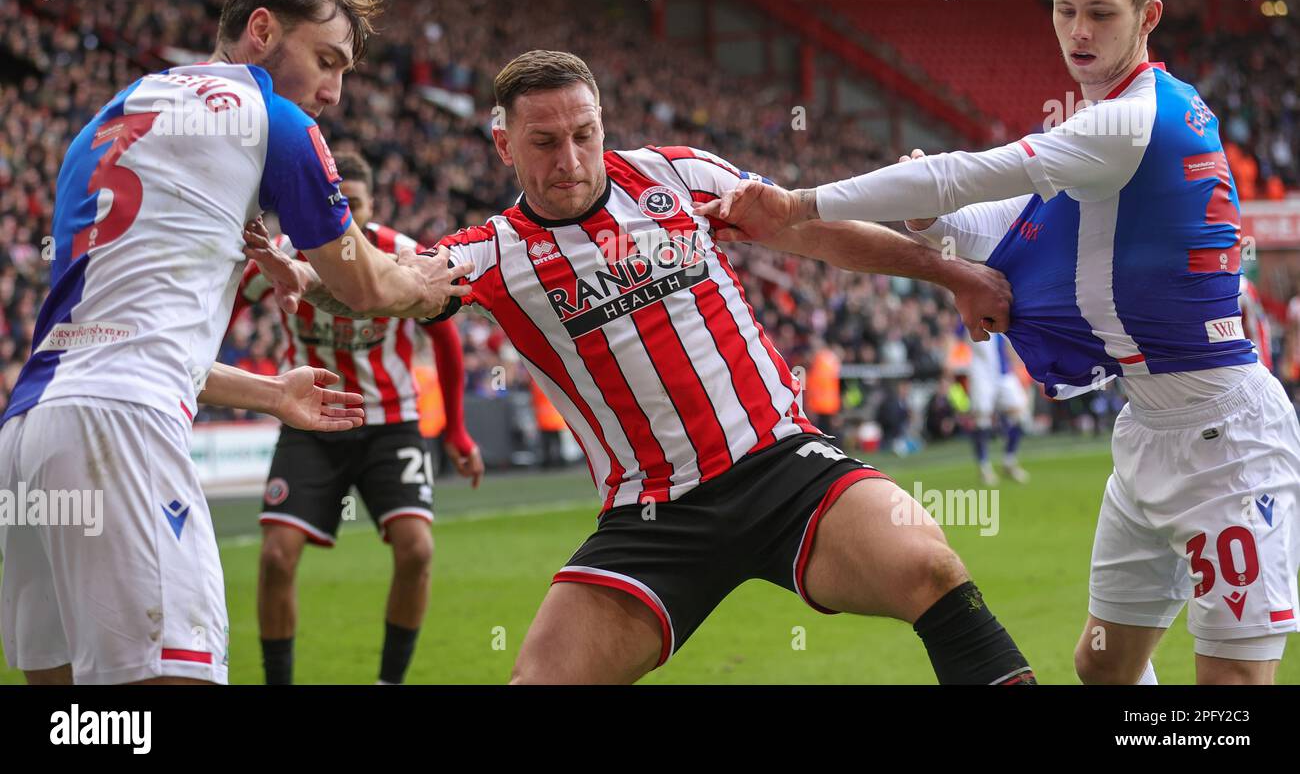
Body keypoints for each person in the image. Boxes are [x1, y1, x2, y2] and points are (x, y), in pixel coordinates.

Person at [251, 49, 1036, 684]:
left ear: (602, 124)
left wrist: (955, 274)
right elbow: (396, 284)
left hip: (786, 468)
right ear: (503, 145)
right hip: (653, 520)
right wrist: (314, 273)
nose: (571, 159)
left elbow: (815, 232)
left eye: (584, 134)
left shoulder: (677, 177)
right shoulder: (492, 253)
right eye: (545, 142)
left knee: (932, 568)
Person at [700, 0, 1300, 685]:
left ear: (1149, 16)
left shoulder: (1132, 120)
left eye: (1101, 13)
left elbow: (964, 175)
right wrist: (929, 218)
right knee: (1103, 666)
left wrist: (797, 204)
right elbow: (994, 219)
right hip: (1149, 430)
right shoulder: (1107, 127)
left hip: (1227, 439)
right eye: (1065, 10)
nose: (1078, 32)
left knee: (1230, 687)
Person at [0, 0, 467, 686]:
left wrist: (272, 395)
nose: (336, 92)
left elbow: (117, 336)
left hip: (31, 436)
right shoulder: (270, 119)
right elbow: (367, 286)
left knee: (73, 713)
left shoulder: (110, 121)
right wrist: (437, 283)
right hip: (123, 431)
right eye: (328, 59)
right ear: (262, 30)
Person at [233, 152, 482, 685]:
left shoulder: (403, 255)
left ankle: (388, 682)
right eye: (338, 203)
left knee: (417, 549)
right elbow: (232, 303)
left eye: (358, 205)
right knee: (276, 557)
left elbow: (446, 341)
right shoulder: (283, 255)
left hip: (391, 422)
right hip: (310, 419)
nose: (347, 215)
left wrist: (457, 429)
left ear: (374, 206)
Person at [963, 329, 1030, 486]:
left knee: (1020, 415)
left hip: (1003, 372)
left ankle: (1009, 461)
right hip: (981, 373)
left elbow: (1007, 339)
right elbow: (956, 334)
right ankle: (984, 467)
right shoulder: (971, 311)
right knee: (981, 418)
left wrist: (1015, 363)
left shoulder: (1000, 309)